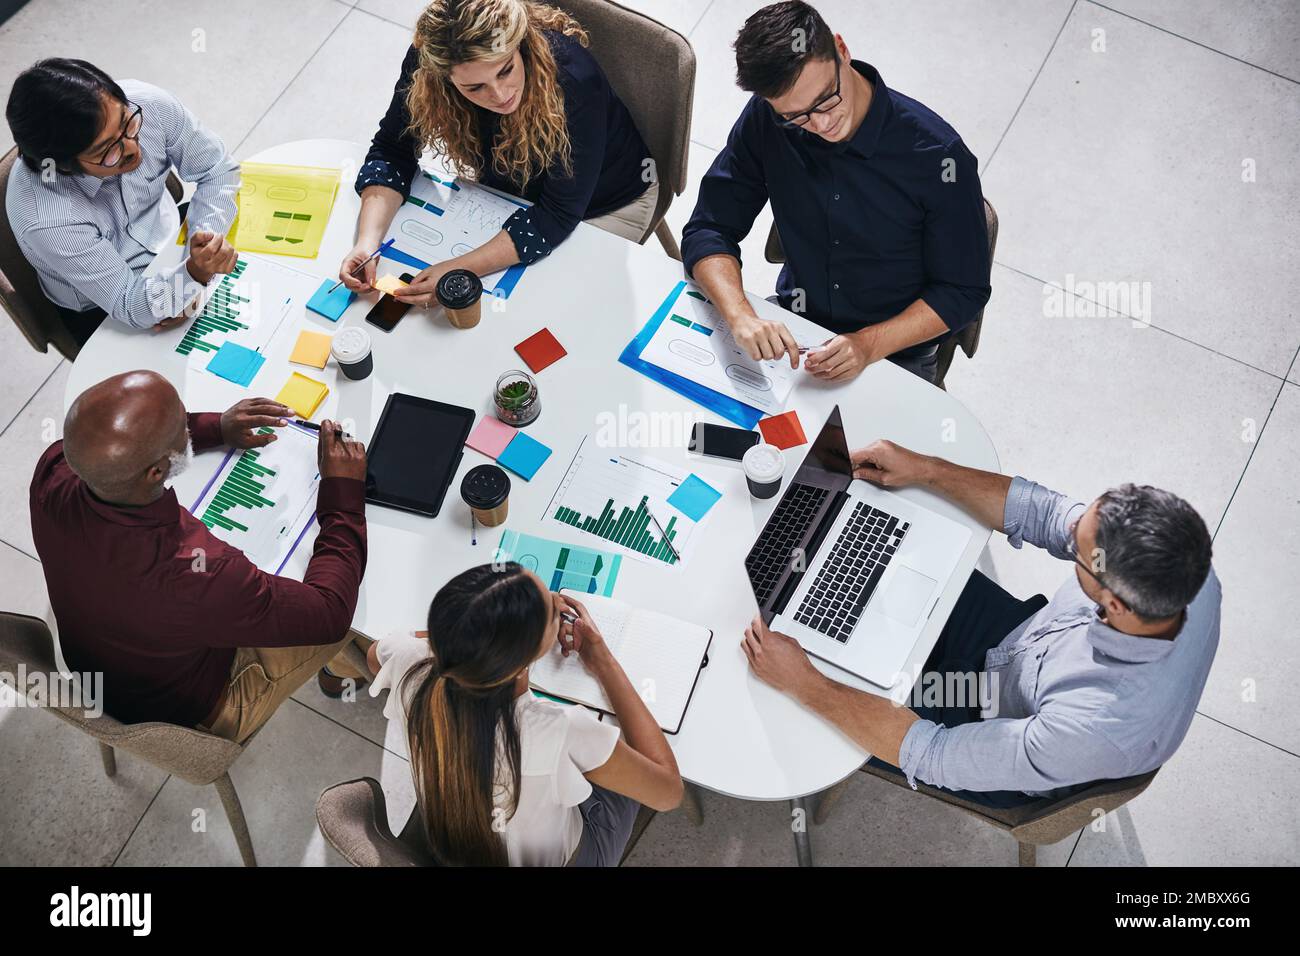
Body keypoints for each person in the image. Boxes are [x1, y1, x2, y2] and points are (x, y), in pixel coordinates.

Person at [742, 439, 1219, 808]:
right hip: (1019, 643)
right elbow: (1047, 514)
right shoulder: (1187, 566)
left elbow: (932, 754)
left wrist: (807, 685)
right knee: (879, 551)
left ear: (1114, 605)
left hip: (993, 716)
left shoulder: (1087, 729)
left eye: (1076, 550)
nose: (1069, 532)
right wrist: (925, 469)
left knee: (795, 693)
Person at [30, 371, 370, 743]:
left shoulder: (53, 470)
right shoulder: (199, 574)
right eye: (181, 425)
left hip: (103, 670)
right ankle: (346, 671)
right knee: (360, 607)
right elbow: (330, 613)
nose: (186, 423)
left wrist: (215, 428)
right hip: (189, 714)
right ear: (156, 471)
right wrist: (342, 494)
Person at [681, 1, 991, 384]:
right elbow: (708, 229)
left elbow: (963, 290)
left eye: (827, 98)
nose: (823, 122)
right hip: (798, 326)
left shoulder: (938, 157)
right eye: (797, 117)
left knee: (853, 448)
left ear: (842, 50)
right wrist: (741, 313)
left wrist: (867, 345)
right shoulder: (767, 119)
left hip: (894, 352)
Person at [338, 0, 655, 308]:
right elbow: (393, 150)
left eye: (506, 70)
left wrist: (458, 269)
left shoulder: (572, 80)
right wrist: (367, 243)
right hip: (508, 190)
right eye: (474, 88)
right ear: (444, 78)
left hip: (606, 203)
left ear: (521, 45)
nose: (501, 96)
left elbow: (557, 215)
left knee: (540, 311)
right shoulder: (428, 62)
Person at [368, 563, 682, 866]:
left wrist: (462, 641)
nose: (560, 601)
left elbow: (374, 656)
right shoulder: (561, 728)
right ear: (522, 661)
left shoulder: (411, 666)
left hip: (459, 835)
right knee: (621, 749)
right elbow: (668, 793)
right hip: (568, 857)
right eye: (550, 610)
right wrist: (603, 661)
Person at [5, 59, 240, 345]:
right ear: (65, 165)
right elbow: (130, 304)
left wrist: (204, 245)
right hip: (104, 307)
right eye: (107, 151)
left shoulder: (147, 103)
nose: (131, 148)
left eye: (126, 123)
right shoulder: (45, 218)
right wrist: (192, 278)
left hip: (172, 238)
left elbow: (217, 170)